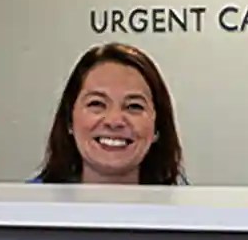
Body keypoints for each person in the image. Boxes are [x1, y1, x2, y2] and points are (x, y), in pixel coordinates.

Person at [32, 42, 186, 185]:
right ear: (69, 120)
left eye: (134, 106)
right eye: (97, 104)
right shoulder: (24, 208)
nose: (114, 121)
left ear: (157, 126)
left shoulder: (190, 210)